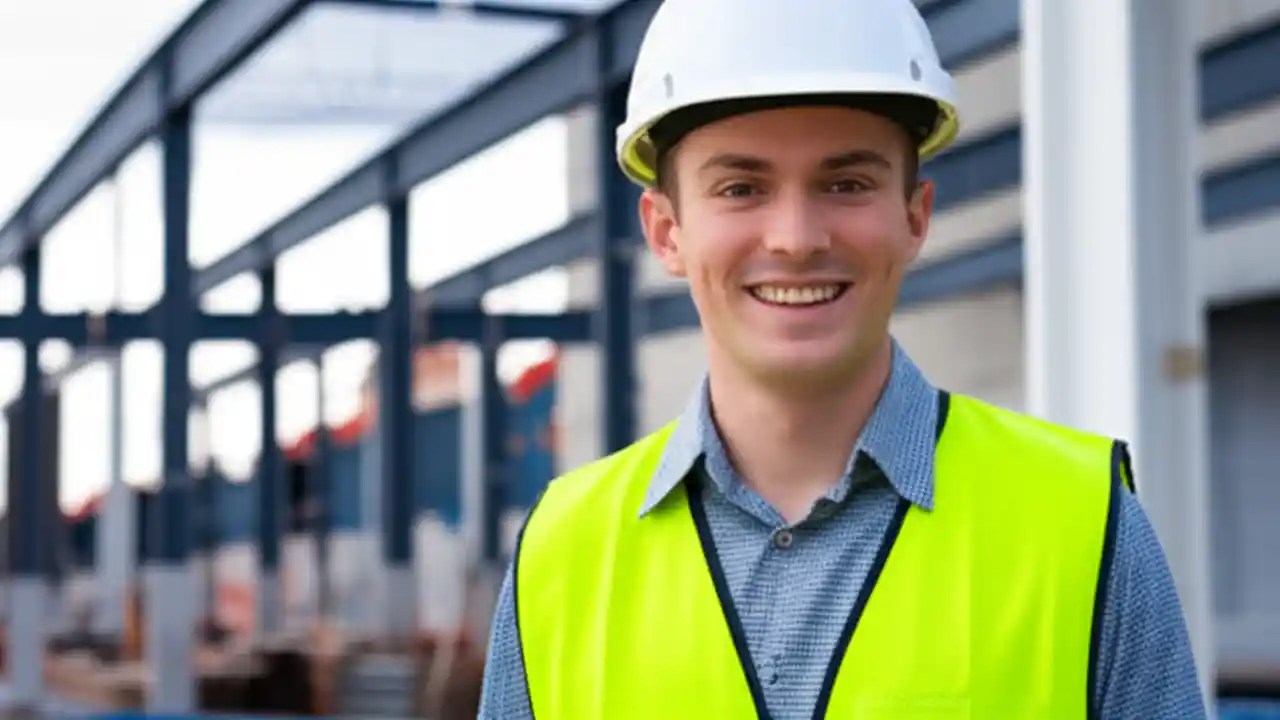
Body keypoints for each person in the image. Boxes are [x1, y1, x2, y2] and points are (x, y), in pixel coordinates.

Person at [479, 1, 1207, 717]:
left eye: (845, 184)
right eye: (741, 188)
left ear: (914, 216)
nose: (796, 237)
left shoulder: (1083, 525)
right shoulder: (560, 555)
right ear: (667, 232)